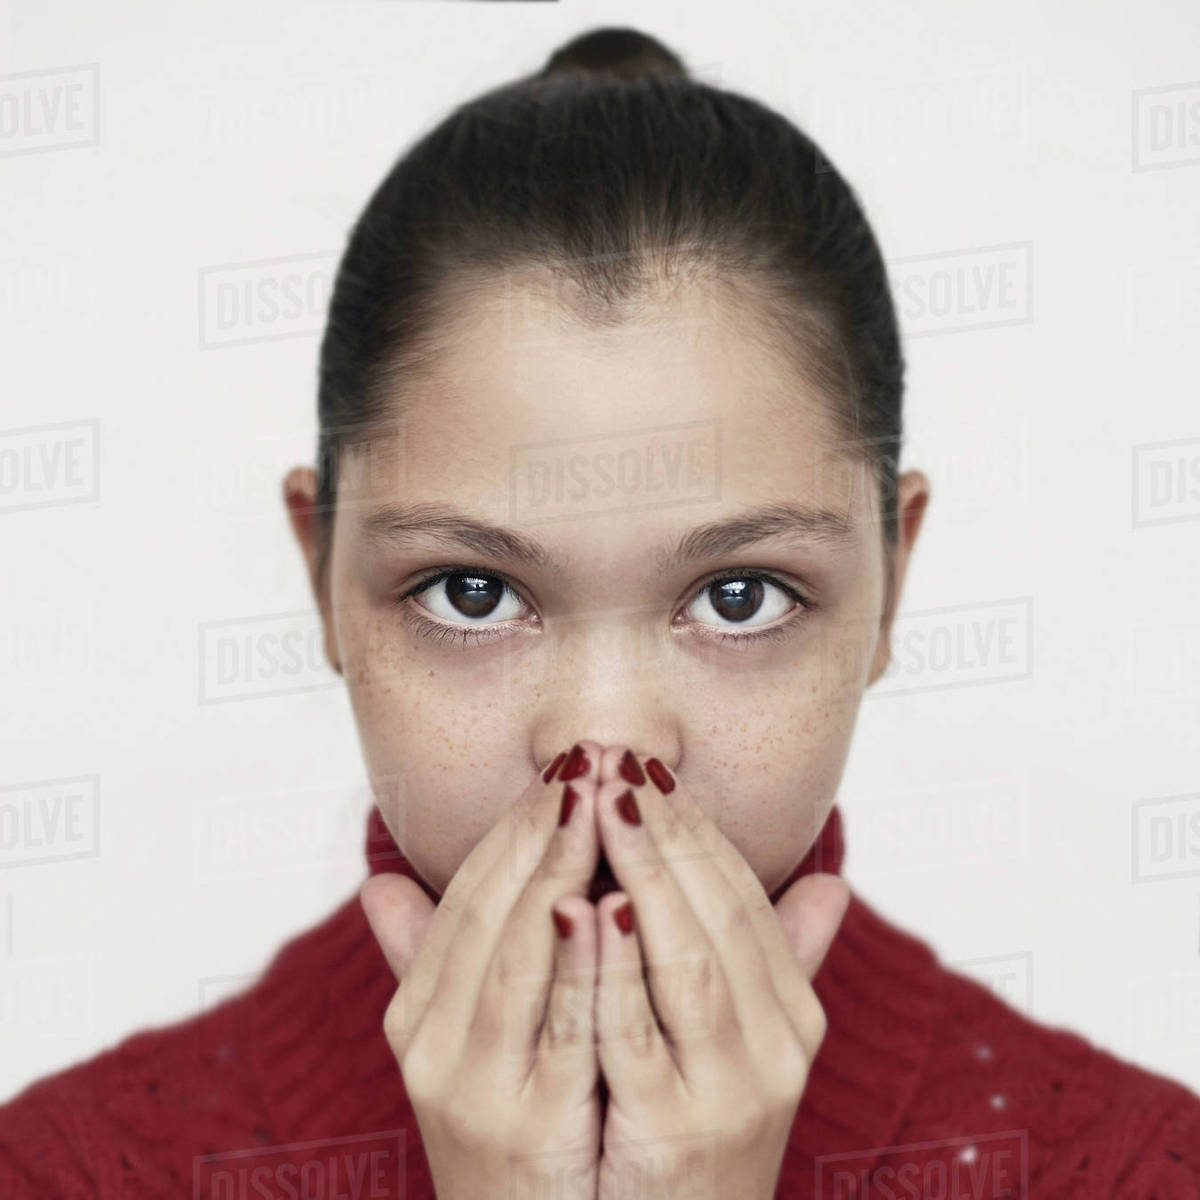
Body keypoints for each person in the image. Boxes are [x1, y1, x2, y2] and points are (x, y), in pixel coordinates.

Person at [3, 24, 1198, 1200]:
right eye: (473, 593)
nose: (606, 745)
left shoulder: (1136, 1173)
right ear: (321, 576)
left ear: (893, 580)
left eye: (740, 596)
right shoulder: (65, 1174)